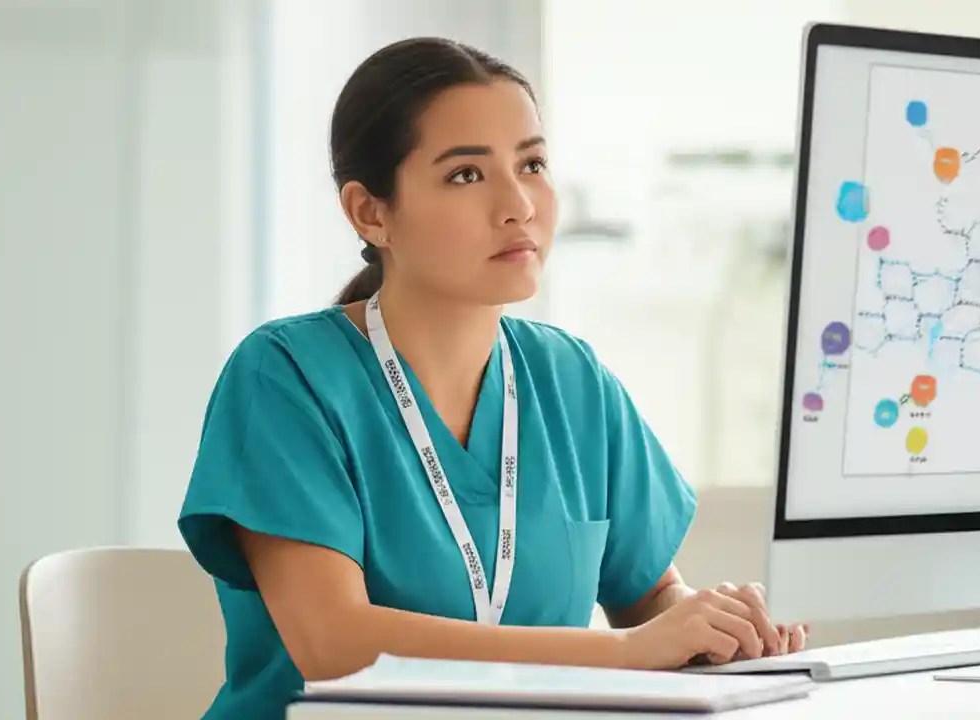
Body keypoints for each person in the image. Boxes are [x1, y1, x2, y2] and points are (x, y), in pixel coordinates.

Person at [178, 36, 808, 720]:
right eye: (466, 175)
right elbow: (336, 645)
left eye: (531, 164)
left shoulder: (573, 380)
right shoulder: (284, 377)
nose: (519, 205)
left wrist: (716, 630)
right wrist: (627, 651)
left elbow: (651, 598)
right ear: (370, 212)